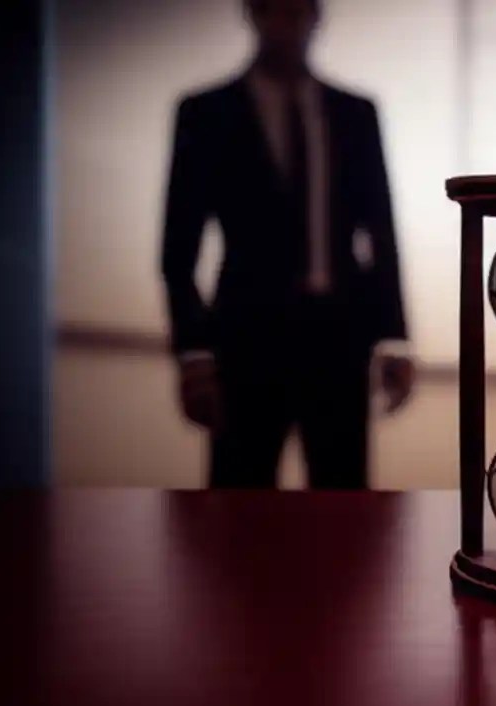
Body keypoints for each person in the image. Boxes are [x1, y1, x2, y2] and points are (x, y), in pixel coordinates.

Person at [161, 0, 414, 489]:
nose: (288, 24)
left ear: (316, 17)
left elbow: (381, 233)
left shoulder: (353, 113)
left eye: (298, 12)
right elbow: (179, 246)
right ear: (253, 14)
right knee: (239, 499)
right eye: (276, 11)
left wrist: (394, 336)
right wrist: (193, 354)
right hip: (246, 337)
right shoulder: (207, 113)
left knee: (344, 500)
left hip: (338, 334)